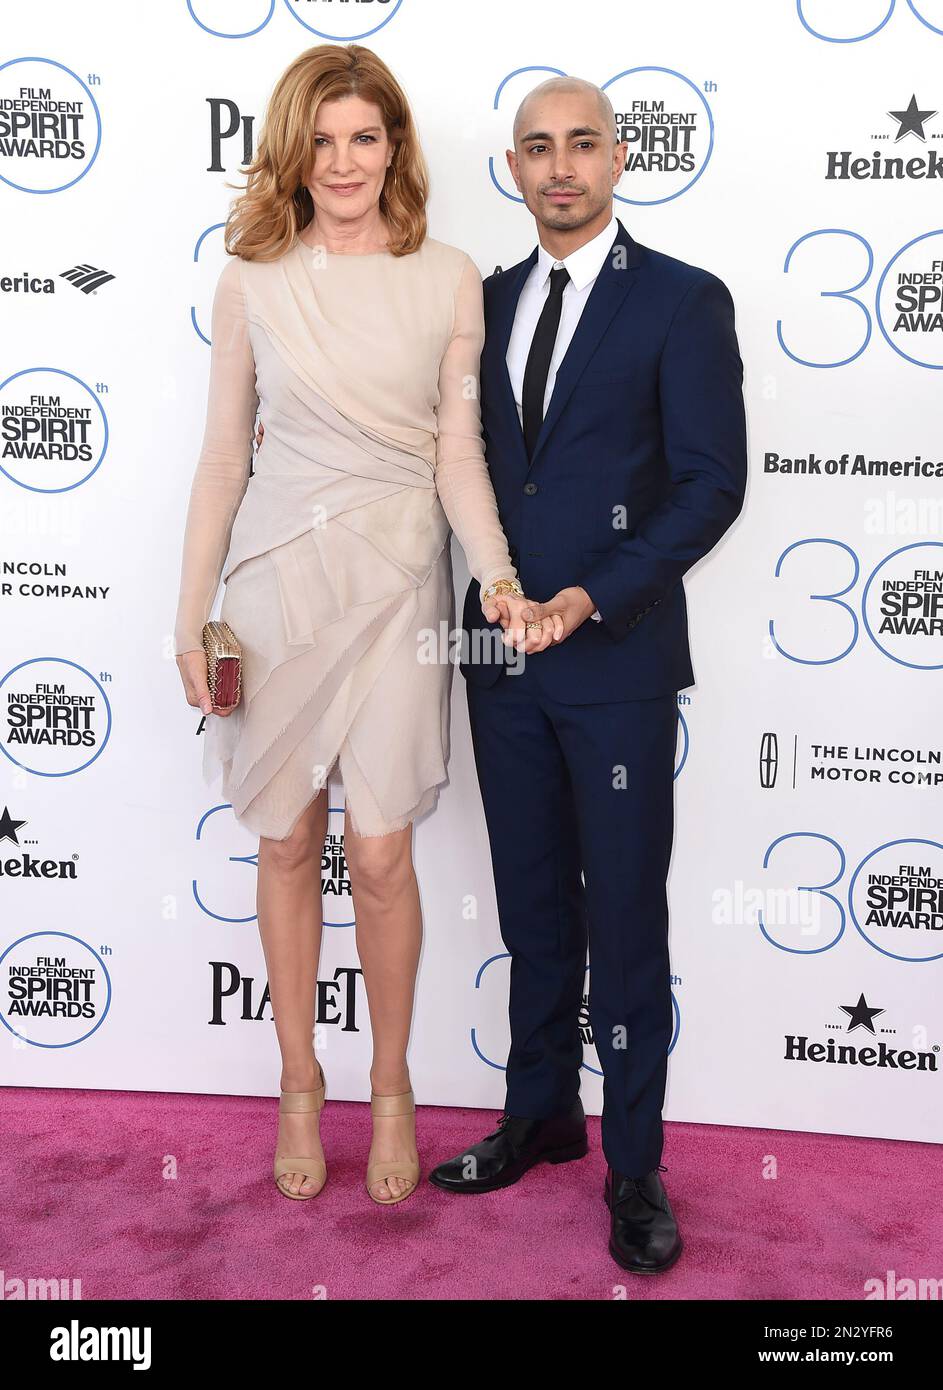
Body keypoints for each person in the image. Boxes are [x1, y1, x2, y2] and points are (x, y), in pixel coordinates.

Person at [173, 44, 559, 1207]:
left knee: (381, 852)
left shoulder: (448, 275)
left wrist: (493, 574)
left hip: (396, 583)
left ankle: (389, 1085)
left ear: (394, 145)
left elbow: (455, 453)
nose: (344, 161)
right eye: (324, 138)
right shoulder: (253, 277)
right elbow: (221, 458)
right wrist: (189, 620)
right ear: (296, 148)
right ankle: (300, 1080)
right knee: (286, 841)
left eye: (366, 136)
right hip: (278, 588)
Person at [427, 77, 748, 1274]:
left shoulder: (678, 300)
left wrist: (593, 592)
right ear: (511, 166)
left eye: (583, 146)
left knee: (623, 916)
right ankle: (538, 1115)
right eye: (536, 149)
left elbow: (712, 483)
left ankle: (633, 1165)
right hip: (498, 660)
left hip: (611, 661)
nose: (559, 168)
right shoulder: (485, 301)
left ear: (621, 159)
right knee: (530, 902)